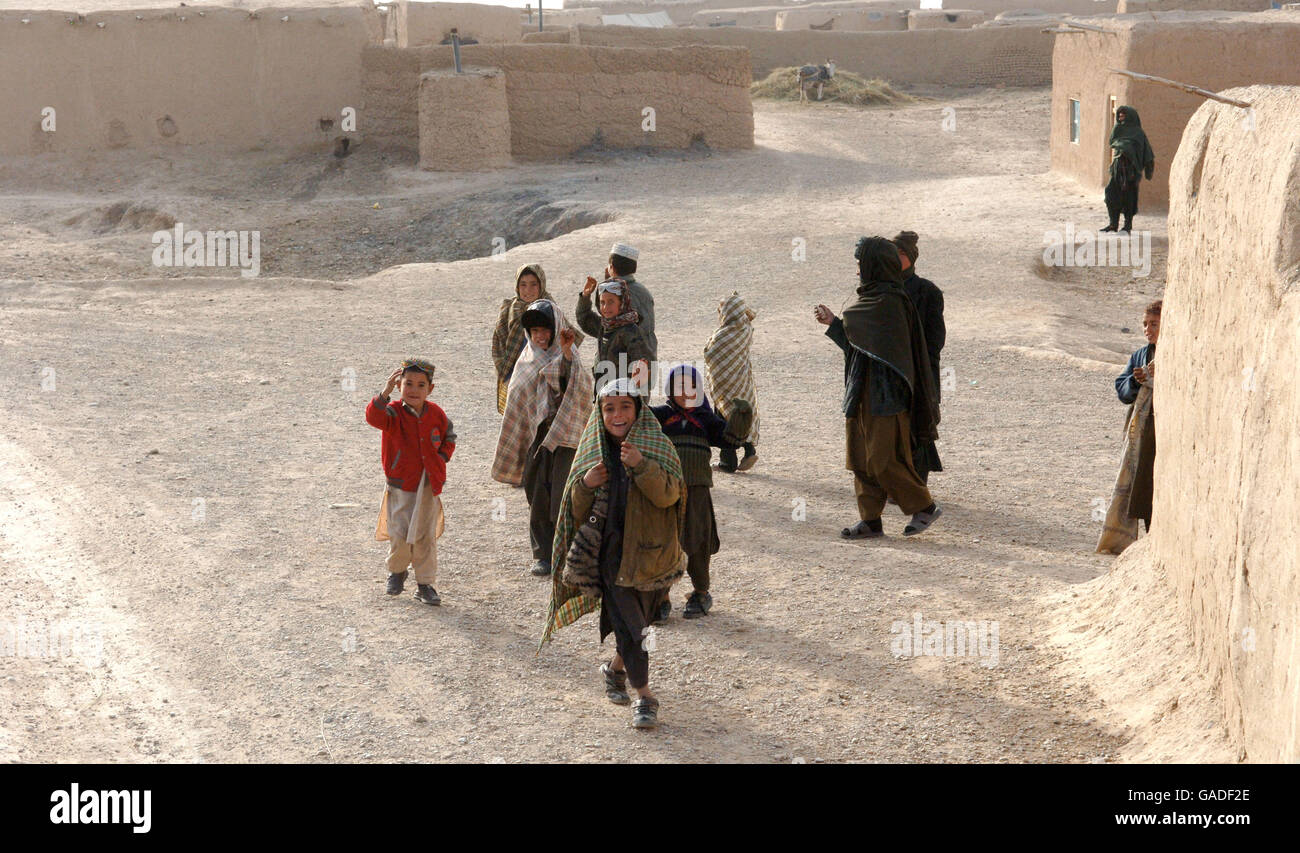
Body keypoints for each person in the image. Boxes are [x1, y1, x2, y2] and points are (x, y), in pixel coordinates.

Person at [540, 379, 686, 730]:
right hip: (610, 559)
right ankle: (645, 697)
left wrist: (640, 465)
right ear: (599, 413)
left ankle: (614, 670)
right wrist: (586, 485)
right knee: (634, 628)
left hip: (652, 556)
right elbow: (574, 511)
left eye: (624, 407)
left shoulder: (657, 447)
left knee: (641, 622)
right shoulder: (593, 451)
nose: (617, 415)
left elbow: (670, 495)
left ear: (638, 410)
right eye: (609, 408)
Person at [814, 236, 941, 539]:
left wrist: (845, 324)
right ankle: (870, 520)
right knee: (860, 458)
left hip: (886, 398)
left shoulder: (892, 303)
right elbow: (856, 346)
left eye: (861, 264)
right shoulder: (869, 301)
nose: (858, 271)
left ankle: (924, 506)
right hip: (860, 391)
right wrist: (834, 324)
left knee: (884, 460)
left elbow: (897, 353)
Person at [491, 299, 594, 576]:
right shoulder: (526, 360)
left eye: (545, 330)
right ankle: (542, 554)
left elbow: (580, 390)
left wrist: (566, 355)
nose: (540, 336)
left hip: (564, 438)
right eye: (535, 330)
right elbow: (517, 404)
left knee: (562, 494)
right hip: (537, 440)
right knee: (537, 492)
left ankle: (565, 552)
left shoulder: (569, 355)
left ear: (557, 328)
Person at [651, 364, 752, 620]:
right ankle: (660, 596)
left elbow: (731, 440)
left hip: (697, 492)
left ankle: (701, 591)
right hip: (666, 490)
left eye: (691, 386)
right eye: (679, 386)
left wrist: (742, 415)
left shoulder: (706, 419)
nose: (685, 392)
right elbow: (636, 421)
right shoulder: (660, 416)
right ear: (669, 390)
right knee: (665, 541)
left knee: (697, 541)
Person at [365, 359, 456, 606]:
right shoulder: (392, 412)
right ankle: (397, 571)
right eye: (408, 384)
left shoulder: (436, 413)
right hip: (400, 484)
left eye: (420, 385)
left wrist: (441, 458)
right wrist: (383, 393)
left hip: (428, 485)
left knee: (425, 535)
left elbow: (449, 436)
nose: (414, 390)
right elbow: (373, 418)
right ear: (398, 385)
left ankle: (425, 584)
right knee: (399, 532)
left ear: (430, 389)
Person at [1097, 300, 1161, 554]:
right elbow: (1122, 390)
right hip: (1144, 432)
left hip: (1160, 431)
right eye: (1145, 324)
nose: (1148, 329)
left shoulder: (1174, 353)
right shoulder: (1141, 355)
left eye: (1154, 324)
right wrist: (1137, 381)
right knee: (1141, 487)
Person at [893, 230, 945, 484]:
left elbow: (936, 340)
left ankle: (917, 483)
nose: (896, 259)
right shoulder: (882, 290)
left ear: (911, 258)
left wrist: (918, 362)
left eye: (901, 254)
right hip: (892, 371)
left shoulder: (928, 292)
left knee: (920, 427)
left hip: (920, 371)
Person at [704, 292, 759, 472]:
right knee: (743, 416)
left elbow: (710, 354)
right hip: (742, 383)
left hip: (725, 386)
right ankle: (750, 450)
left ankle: (727, 462)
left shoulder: (722, 335)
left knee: (725, 419)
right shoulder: (746, 330)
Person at [491, 264, 555, 414]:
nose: (528, 290)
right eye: (523, 285)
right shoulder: (510, 309)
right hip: (514, 375)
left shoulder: (550, 309)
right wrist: (504, 373)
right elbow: (498, 342)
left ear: (541, 285)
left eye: (534, 285)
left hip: (542, 376)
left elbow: (560, 342)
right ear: (517, 287)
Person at [575, 276, 653, 393]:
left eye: (611, 302)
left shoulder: (630, 331)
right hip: (604, 394)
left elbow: (644, 365)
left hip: (624, 397)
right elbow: (584, 319)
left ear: (622, 302)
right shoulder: (605, 325)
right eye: (602, 302)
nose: (606, 307)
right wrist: (585, 296)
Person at [598, 243, 657, 361]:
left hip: (628, 358)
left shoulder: (620, 293)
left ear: (612, 267)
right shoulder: (643, 290)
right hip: (649, 352)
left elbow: (607, 318)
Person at [1102, 106, 1155, 234]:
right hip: (1117, 169)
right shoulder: (1118, 129)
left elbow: (1147, 151)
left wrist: (1148, 169)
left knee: (1129, 198)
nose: (1120, 117)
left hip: (1132, 170)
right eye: (1119, 115)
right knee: (1110, 195)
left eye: (1123, 115)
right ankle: (1113, 224)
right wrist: (1123, 145)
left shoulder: (1138, 133)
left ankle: (1127, 226)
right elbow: (1113, 142)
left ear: (1129, 116)